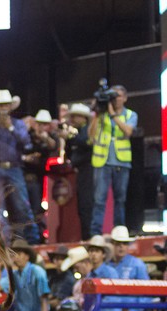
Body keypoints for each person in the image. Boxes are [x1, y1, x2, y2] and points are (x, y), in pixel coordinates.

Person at [0, 89, 42, 244]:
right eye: (0, 105)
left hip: (14, 168)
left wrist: (11, 128)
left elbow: (27, 144)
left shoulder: (18, 124)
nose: (3, 108)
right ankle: (4, 245)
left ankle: (33, 241)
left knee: (23, 206)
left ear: (10, 106)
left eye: (6, 105)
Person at [89, 84, 137, 238]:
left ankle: (119, 232)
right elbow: (91, 135)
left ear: (125, 98)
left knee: (120, 199)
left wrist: (112, 114)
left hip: (121, 162)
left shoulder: (130, 114)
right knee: (99, 199)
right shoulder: (101, 115)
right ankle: (95, 232)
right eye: (113, 96)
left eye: (118, 96)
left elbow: (128, 131)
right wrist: (97, 113)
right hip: (102, 162)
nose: (115, 99)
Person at [0, 238, 50, 311]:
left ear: (27, 256)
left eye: (19, 253)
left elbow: (44, 300)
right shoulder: (14, 275)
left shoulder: (37, 272)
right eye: (14, 254)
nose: (16, 257)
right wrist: (1, 267)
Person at [24, 109, 57, 235]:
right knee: (23, 209)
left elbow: (54, 145)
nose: (41, 127)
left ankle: (36, 235)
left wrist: (45, 138)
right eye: (39, 124)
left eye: (45, 124)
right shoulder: (28, 135)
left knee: (37, 209)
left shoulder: (49, 138)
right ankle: (27, 235)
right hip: (23, 177)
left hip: (38, 179)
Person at [63, 103, 95, 237]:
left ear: (83, 118)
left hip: (88, 170)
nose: (73, 119)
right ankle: (85, 234)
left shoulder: (88, 130)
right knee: (82, 204)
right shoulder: (76, 133)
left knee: (86, 203)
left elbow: (86, 142)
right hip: (81, 170)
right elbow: (69, 152)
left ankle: (88, 234)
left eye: (75, 117)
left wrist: (70, 137)